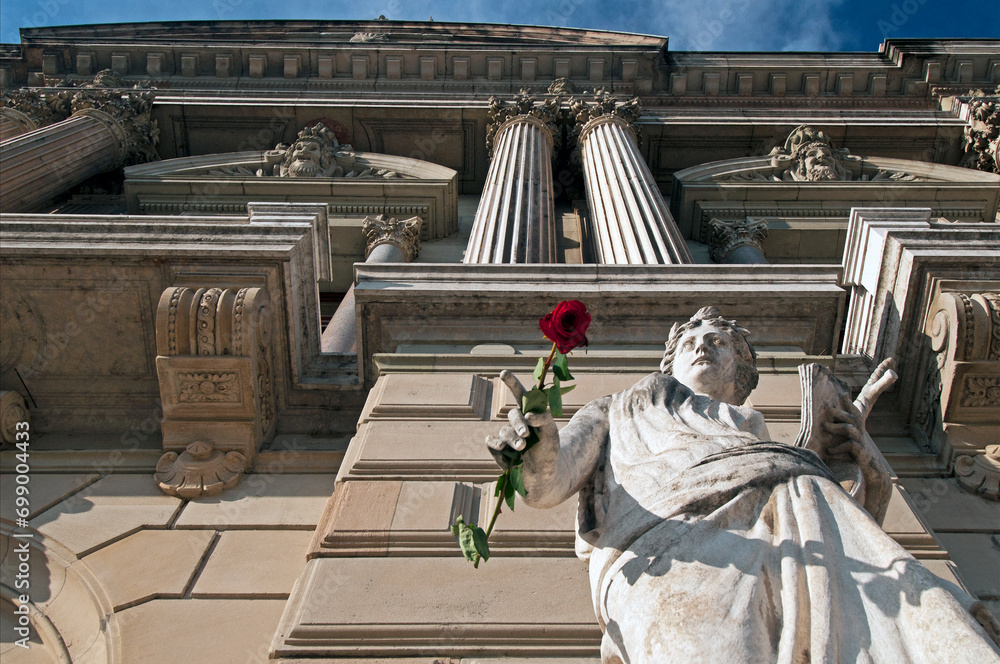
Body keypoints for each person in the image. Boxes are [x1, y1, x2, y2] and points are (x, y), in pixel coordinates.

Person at [487, 306, 1000, 663]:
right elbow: (548, 484)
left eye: (718, 342)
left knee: (932, 625)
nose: (703, 347)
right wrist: (536, 448)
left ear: (741, 368)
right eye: (690, 342)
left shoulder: (755, 434)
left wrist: (873, 479)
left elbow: (848, 535)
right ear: (671, 362)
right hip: (677, 554)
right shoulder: (620, 408)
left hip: (802, 534)